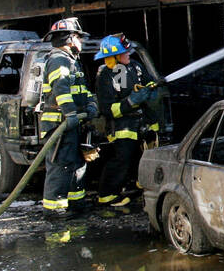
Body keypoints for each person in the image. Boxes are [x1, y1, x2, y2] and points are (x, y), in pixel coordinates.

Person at [38, 17, 98, 216]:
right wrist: (71, 113)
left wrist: (90, 104)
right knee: (61, 166)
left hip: (72, 124)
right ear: (70, 38)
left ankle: (75, 203)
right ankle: (54, 209)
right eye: (79, 38)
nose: (82, 42)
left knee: (75, 164)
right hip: (59, 125)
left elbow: (82, 90)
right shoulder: (58, 60)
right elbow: (61, 90)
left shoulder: (72, 61)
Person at [94, 33, 157, 207]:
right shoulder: (105, 75)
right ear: (113, 57)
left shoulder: (135, 66)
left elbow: (148, 82)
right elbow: (107, 109)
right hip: (121, 126)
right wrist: (131, 101)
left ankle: (136, 188)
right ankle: (107, 195)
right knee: (122, 159)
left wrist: (151, 89)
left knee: (142, 157)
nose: (129, 54)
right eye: (125, 52)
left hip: (140, 123)